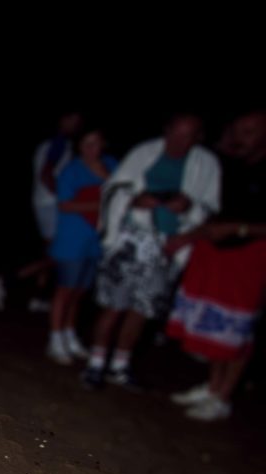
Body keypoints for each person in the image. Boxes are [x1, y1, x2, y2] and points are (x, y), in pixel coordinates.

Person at [82, 114, 221, 389]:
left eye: (187, 136)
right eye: (175, 133)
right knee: (114, 305)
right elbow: (114, 188)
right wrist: (135, 199)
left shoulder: (207, 164)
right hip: (131, 238)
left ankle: (120, 366)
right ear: (166, 129)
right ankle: (95, 364)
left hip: (170, 245)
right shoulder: (144, 152)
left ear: (199, 137)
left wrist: (189, 207)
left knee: (142, 310)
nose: (178, 141)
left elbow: (211, 206)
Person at [166, 110, 266, 421]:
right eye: (237, 130)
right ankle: (211, 387)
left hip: (251, 255)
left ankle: (223, 397)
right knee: (213, 323)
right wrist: (188, 237)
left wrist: (239, 229)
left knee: (238, 327)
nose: (239, 138)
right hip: (217, 251)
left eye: (249, 132)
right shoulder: (231, 166)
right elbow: (214, 212)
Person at [45, 126, 116, 364]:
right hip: (72, 237)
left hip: (98, 238)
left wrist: (105, 176)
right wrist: (101, 205)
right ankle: (55, 339)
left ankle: (69, 334)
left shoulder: (111, 165)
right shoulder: (71, 171)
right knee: (65, 289)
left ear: (103, 144)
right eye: (86, 144)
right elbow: (64, 205)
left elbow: (124, 194)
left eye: (95, 143)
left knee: (80, 292)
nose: (91, 149)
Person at [21, 110, 83, 312]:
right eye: (72, 120)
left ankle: (39, 297)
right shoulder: (58, 143)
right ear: (62, 120)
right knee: (59, 253)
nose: (76, 125)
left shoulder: (52, 143)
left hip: (44, 202)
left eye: (78, 121)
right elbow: (46, 173)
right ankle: (9, 279)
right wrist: (62, 198)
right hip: (50, 203)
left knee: (51, 251)